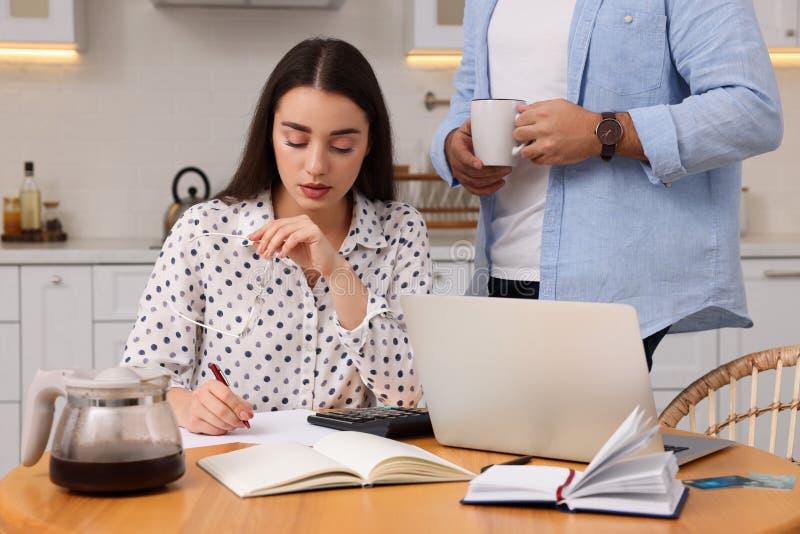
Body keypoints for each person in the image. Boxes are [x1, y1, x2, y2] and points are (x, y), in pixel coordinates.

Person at [431, 0, 783, 370]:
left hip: (608, 286)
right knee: (492, 429)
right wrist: (453, 146)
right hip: (499, 273)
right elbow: (467, 97)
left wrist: (602, 132)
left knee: (587, 429)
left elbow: (752, 111)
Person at [123, 38, 431, 435]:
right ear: (269, 134)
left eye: (342, 146)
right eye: (296, 141)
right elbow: (141, 377)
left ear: (369, 144)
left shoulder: (400, 231)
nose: (316, 165)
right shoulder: (204, 233)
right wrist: (187, 405)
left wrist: (338, 272)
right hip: (234, 469)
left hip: (350, 474)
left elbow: (406, 394)